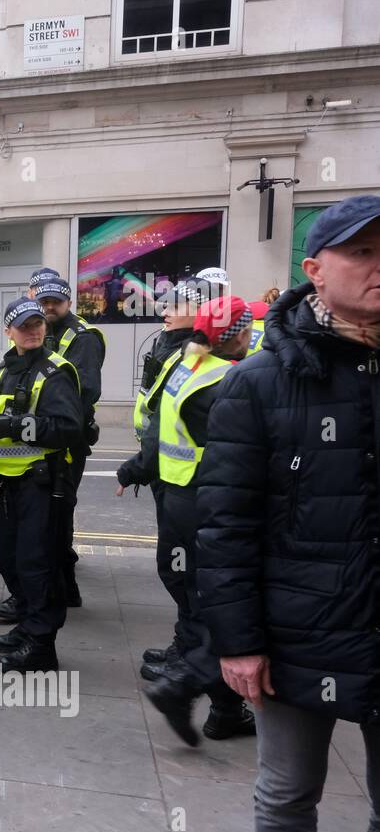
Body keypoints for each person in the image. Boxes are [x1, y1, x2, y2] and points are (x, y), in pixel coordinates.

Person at [196, 195, 380, 832]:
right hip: (298, 630)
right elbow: (225, 528)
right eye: (361, 252)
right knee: (287, 793)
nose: (377, 267)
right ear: (315, 270)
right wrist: (238, 642)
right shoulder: (260, 382)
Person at [135, 296, 257, 745]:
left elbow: (156, 425)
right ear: (238, 334)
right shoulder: (227, 381)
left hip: (177, 496)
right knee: (226, 603)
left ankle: (222, 705)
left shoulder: (186, 364)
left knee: (193, 591)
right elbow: (238, 456)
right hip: (209, 502)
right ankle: (186, 680)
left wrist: (136, 468)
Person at [0, 298, 83, 673]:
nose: (33, 330)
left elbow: (70, 428)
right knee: (8, 559)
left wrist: (14, 427)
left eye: (37, 323)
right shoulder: (4, 370)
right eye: (24, 325)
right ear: (9, 331)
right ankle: (26, 626)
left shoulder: (55, 372)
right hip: (9, 483)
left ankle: (41, 645)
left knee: (37, 564)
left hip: (43, 484)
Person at [118, 278, 212, 678]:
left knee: (187, 574)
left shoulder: (195, 355)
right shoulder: (170, 345)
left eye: (176, 304)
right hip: (171, 478)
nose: (164, 310)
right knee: (179, 571)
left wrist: (135, 467)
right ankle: (187, 645)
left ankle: (196, 662)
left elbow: (165, 423)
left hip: (191, 483)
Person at [35, 276, 105, 608]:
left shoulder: (83, 337)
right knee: (46, 513)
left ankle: (63, 588)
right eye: (44, 301)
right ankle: (55, 586)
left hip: (67, 437)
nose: (49, 307)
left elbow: (86, 389)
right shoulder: (39, 330)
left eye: (56, 302)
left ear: (68, 303)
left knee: (58, 512)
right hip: (45, 434)